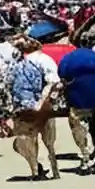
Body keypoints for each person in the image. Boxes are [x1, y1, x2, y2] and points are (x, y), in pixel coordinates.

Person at [9, 37, 59, 180]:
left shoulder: (15, 64)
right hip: (41, 106)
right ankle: (51, 170)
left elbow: (8, 85)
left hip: (23, 107)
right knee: (48, 141)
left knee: (26, 139)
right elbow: (53, 82)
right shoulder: (44, 59)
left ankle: (36, 170)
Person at [60, 37, 95, 173]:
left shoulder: (68, 59)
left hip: (76, 100)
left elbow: (62, 76)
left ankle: (85, 154)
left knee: (79, 128)